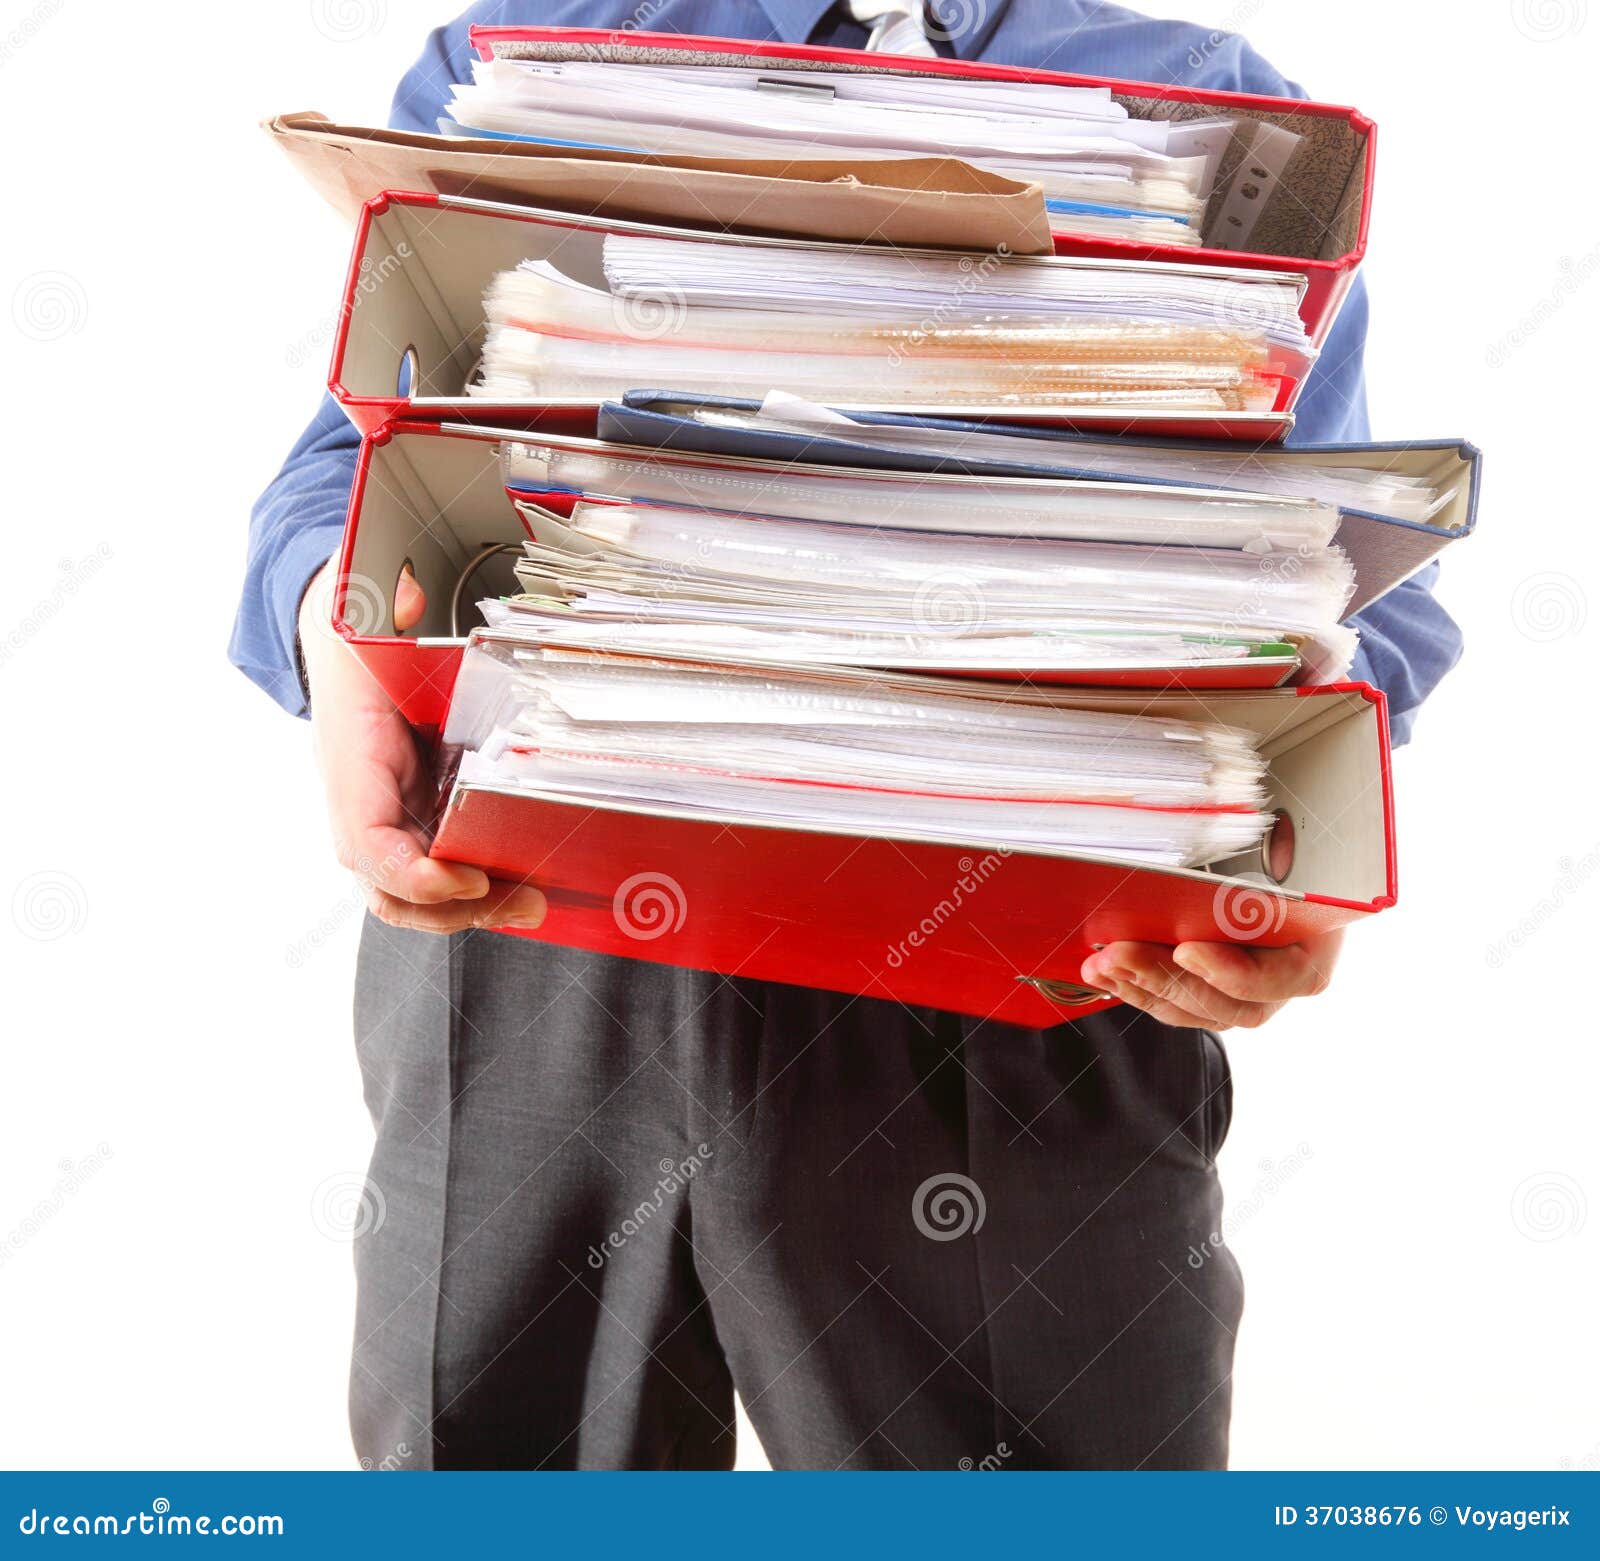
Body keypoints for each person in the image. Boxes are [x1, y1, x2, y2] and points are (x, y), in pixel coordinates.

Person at [232, 0, 1462, 1470]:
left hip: (1023, 947)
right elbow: (345, 471)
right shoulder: (531, 60)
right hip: (536, 913)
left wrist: (1293, 830)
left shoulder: (1207, 120)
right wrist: (339, 629)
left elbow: (1326, 576)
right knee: (494, 1466)